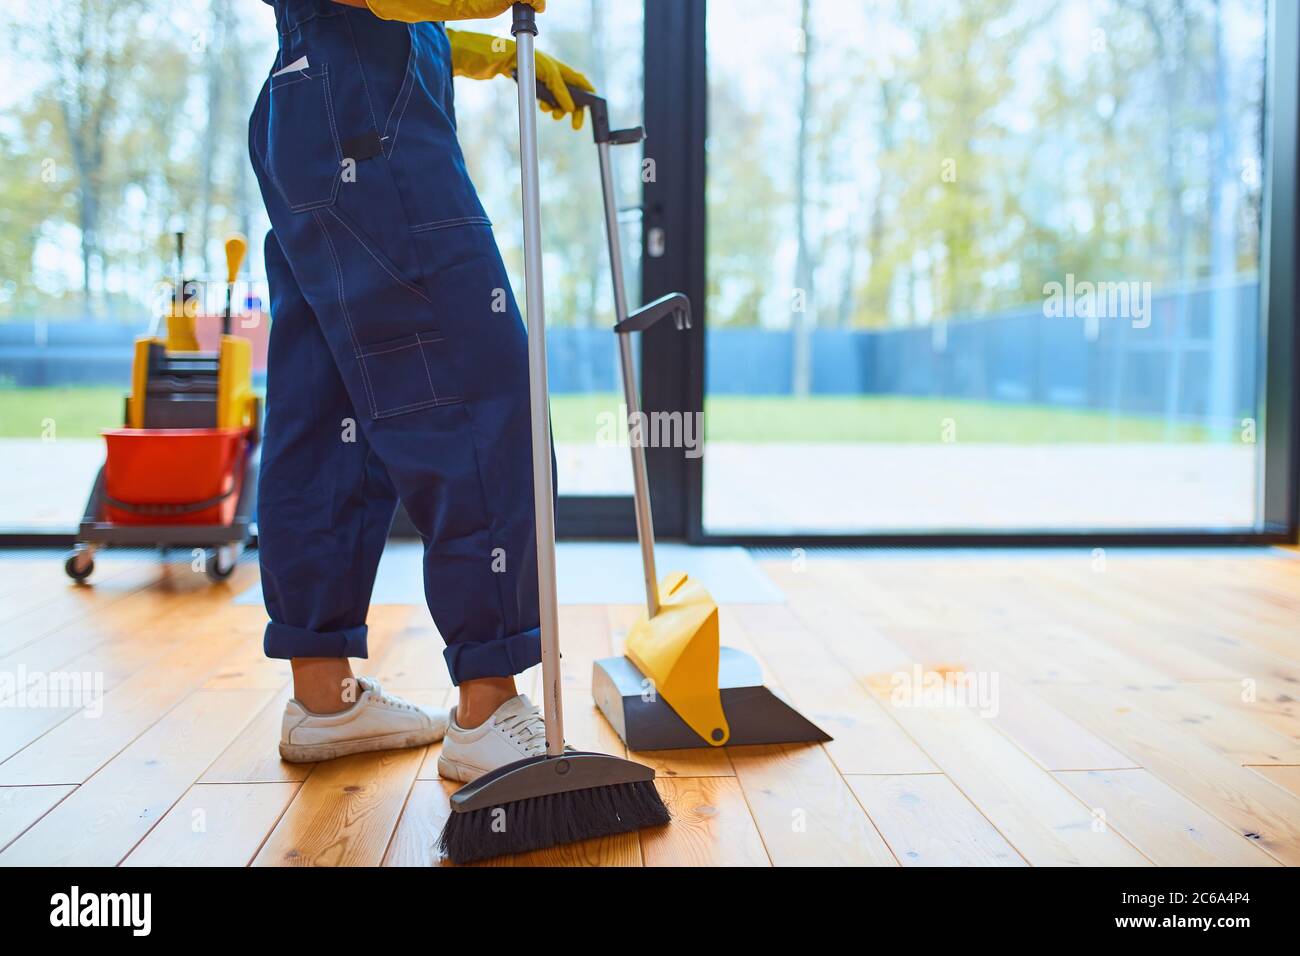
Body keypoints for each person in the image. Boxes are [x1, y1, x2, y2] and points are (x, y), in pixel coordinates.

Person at [247, 0, 592, 780]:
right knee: (477, 383)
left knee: (324, 401)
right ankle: (487, 701)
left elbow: (386, 12)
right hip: (365, 114)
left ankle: (322, 697)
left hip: (312, 110)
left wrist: (491, 53)